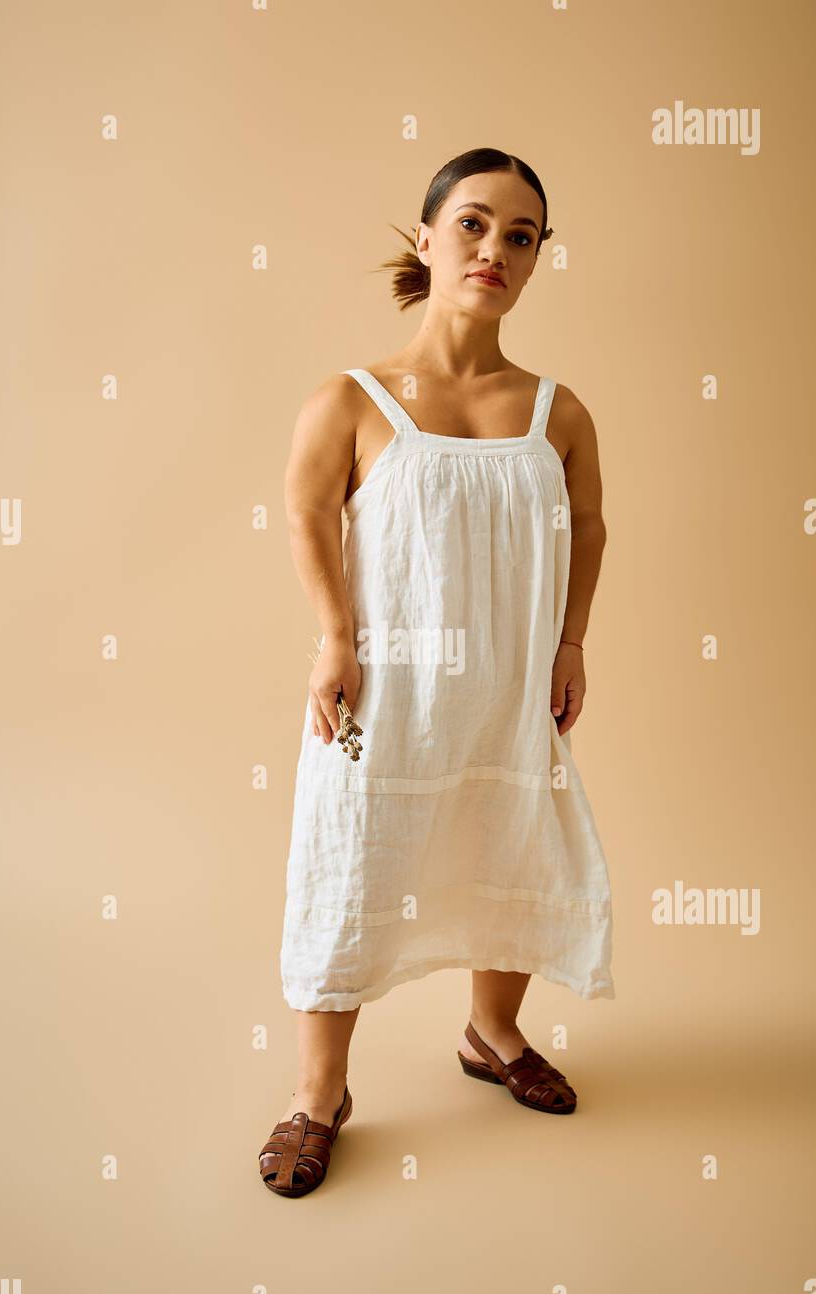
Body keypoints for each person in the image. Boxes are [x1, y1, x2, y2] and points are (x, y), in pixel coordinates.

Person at [258, 147, 615, 1198]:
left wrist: (569, 641)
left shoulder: (558, 412)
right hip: (384, 691)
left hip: (503, 689)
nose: (493, 248)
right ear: (425, 238)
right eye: (471, 223)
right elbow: (305, 509)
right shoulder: (355, 396)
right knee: (352, 860)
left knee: (509, 842)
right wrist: (333, 635)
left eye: (519, 234)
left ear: (536, 257)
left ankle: (489, 1031)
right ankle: (317, 1096)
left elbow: (589, 526)